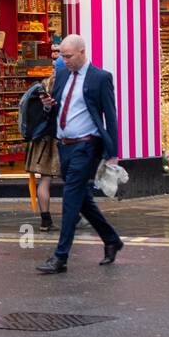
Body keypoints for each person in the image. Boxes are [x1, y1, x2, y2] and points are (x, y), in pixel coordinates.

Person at [35, 35, 124, 274]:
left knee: (71, 198)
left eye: (68, 56)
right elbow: (59, 107)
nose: (63, 61)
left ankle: (60, 257)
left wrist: (113, 153)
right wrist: (48, 104)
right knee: (83, 199)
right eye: (61, 56)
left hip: (86, 146)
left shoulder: (100, 78)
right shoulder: (62, 74)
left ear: (82, 52)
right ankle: (112, 240)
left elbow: (110, 116)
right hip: (64, 145)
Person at [22, 65, 60, 232]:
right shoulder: (61, 88)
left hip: (39, 140)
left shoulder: (42, 86)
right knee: (74, 178)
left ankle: (46, 220)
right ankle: (79, 215)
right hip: (54, 140)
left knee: (44, 180)